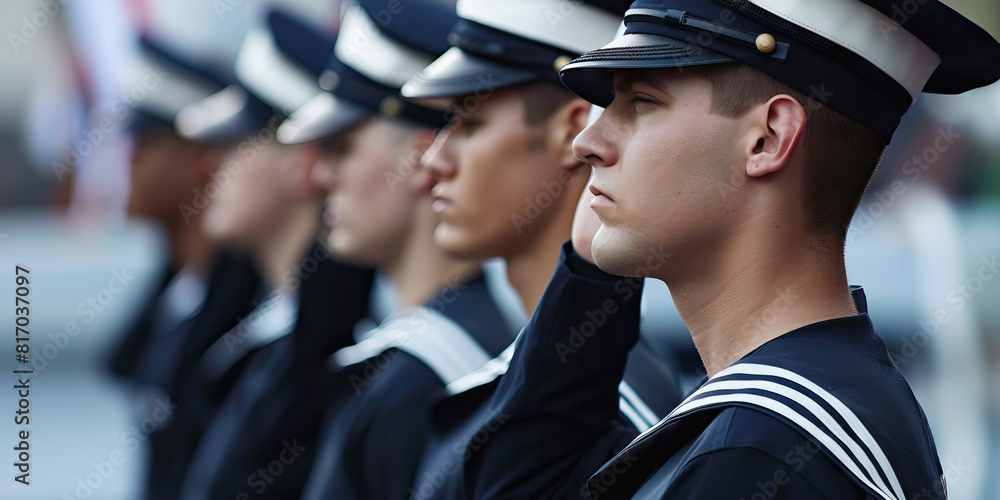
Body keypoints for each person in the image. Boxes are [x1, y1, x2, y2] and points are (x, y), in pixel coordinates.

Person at [477, 0, 1000, 498]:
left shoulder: (759, 448)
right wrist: (590, 271)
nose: (586, 143)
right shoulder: (787, 414)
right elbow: (523, 487)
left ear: (768, 139)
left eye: (642, 102)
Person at [398, 1, 682, 498]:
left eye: (470, 125)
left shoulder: (607, 397)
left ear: (572, 130)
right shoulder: (541, 371)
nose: (435, 160)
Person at [275, 1, 518, 498]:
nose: (321, 175)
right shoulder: (411, 362)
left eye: (343, 149)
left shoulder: (426, 379)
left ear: (420, 158)